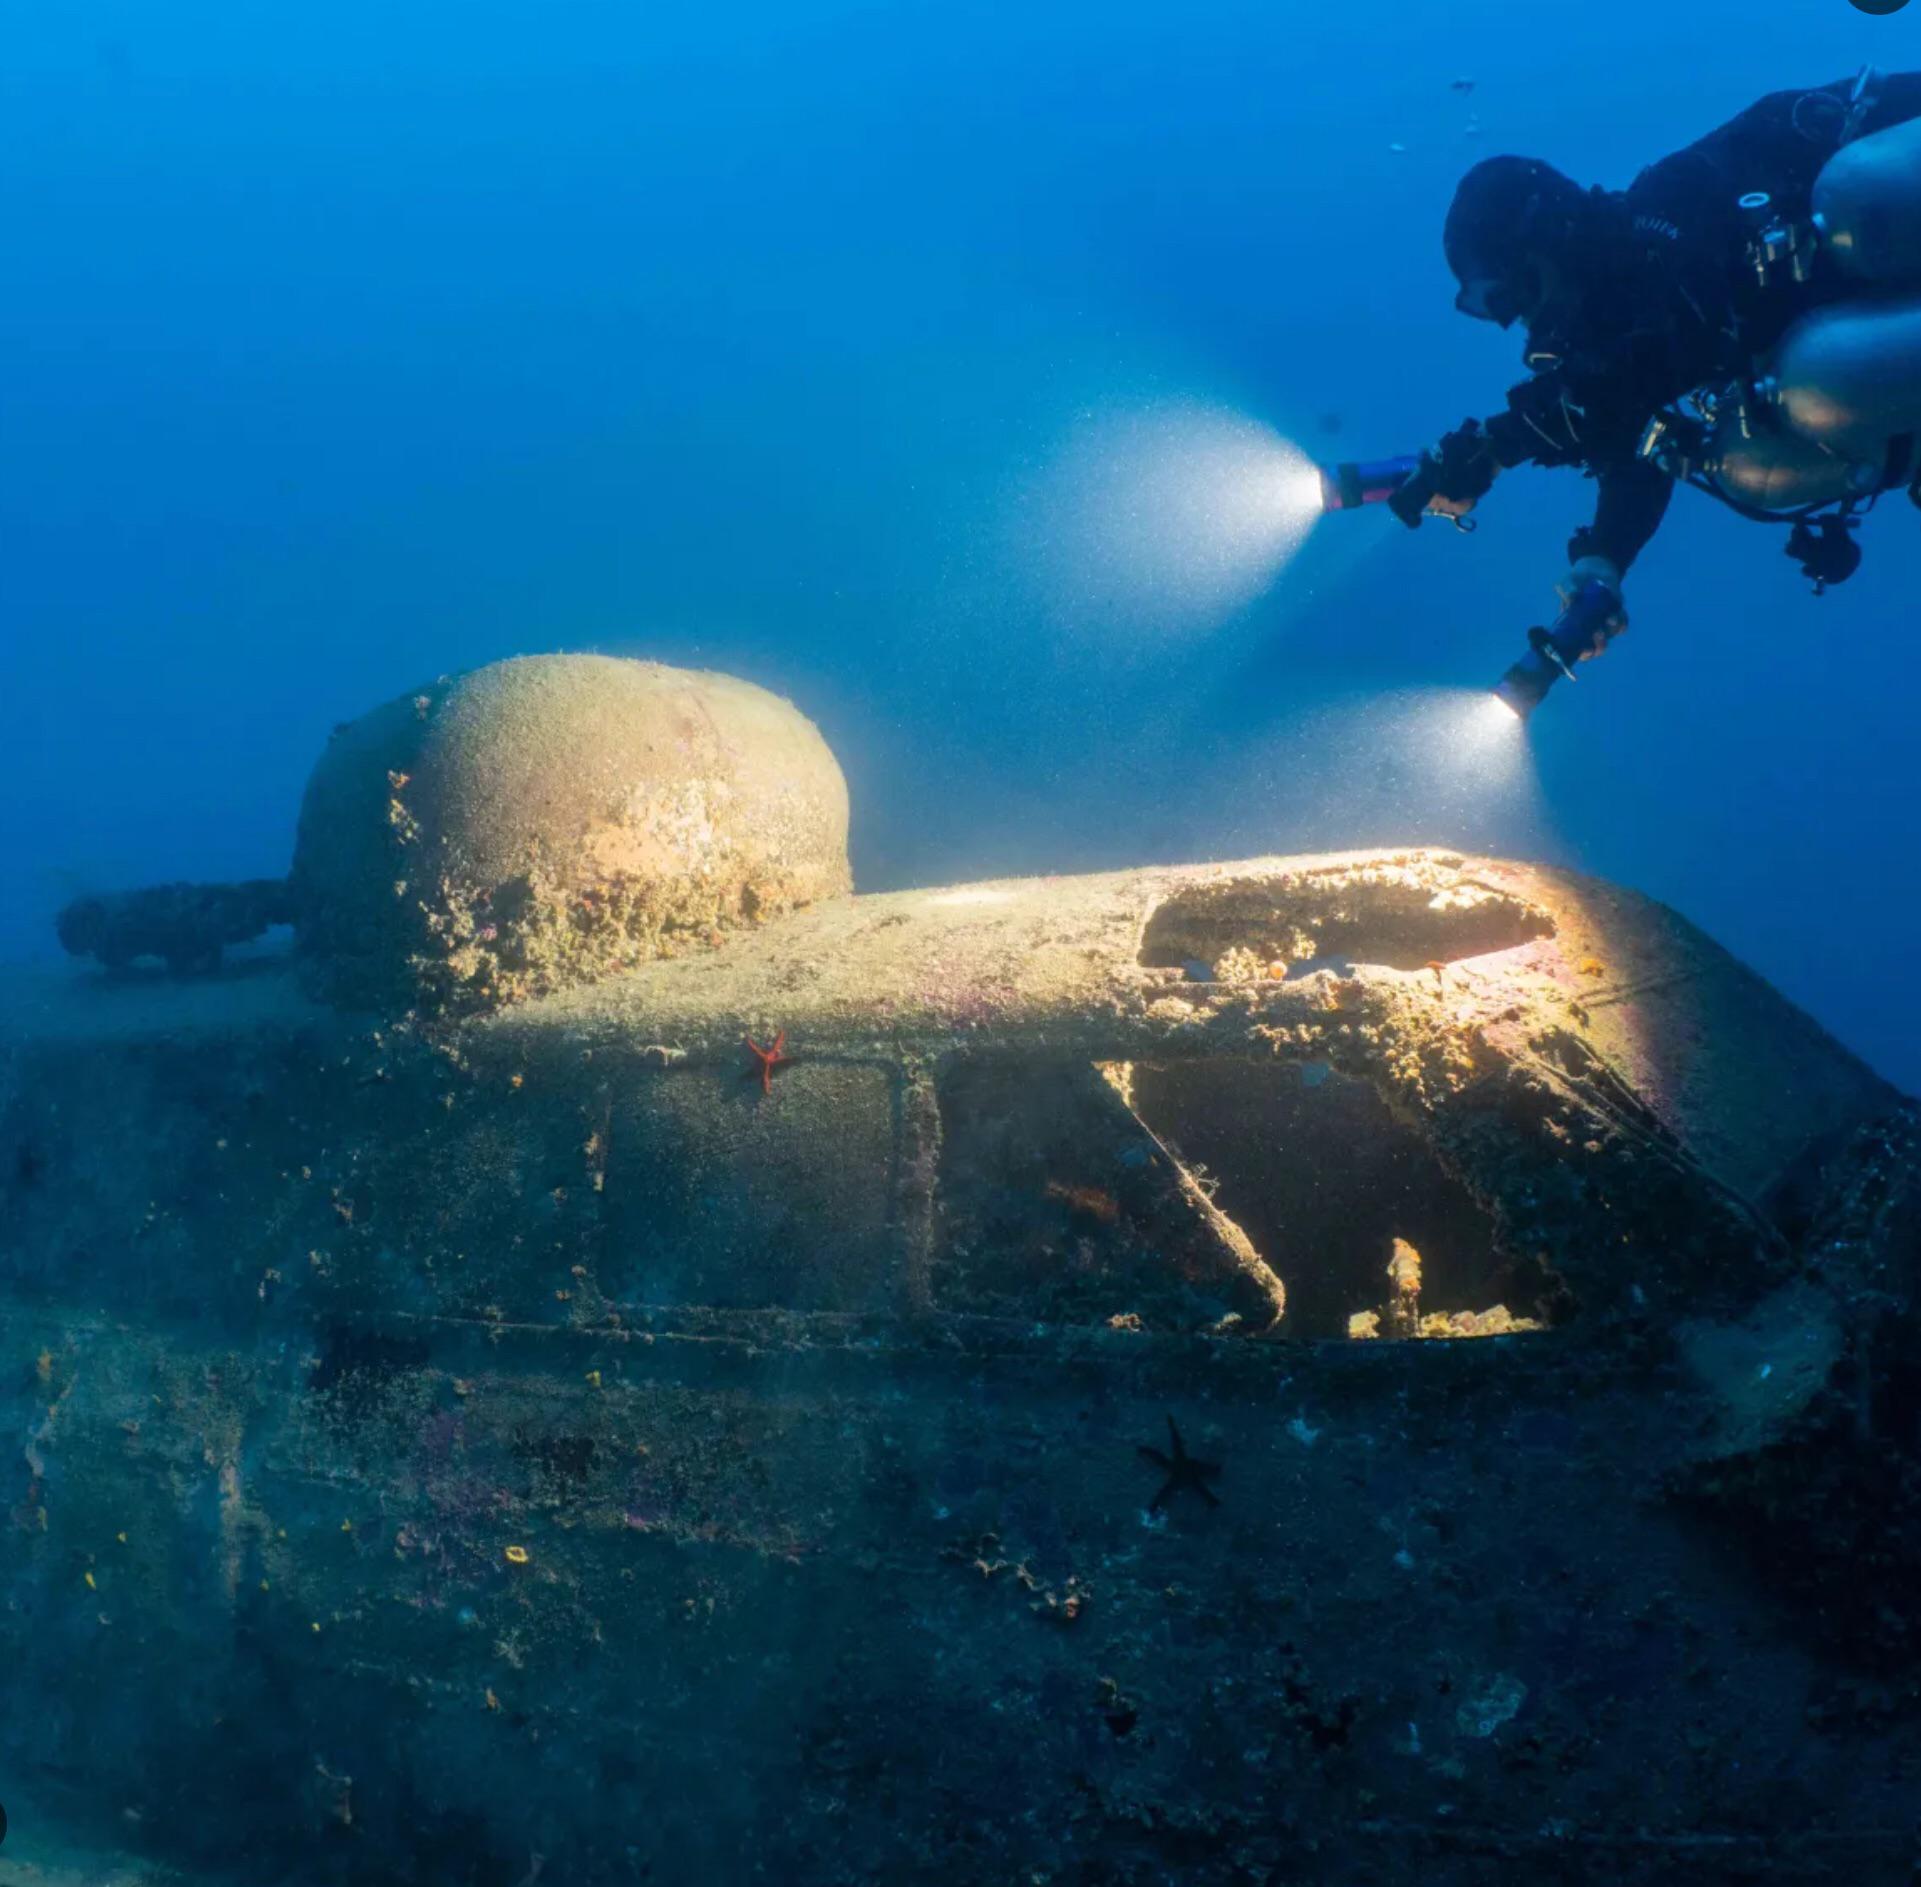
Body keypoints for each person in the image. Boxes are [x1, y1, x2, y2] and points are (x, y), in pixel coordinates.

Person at [1416, 70, 1921, 642]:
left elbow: (1658, 351)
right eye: (1493, 308)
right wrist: (1603, 560)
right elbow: (1636, 439)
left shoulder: (1671, 206)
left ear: (1556, 235)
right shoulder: (1618, 343)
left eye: (1515, 291)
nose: (1519, 319)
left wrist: (1505, 442)